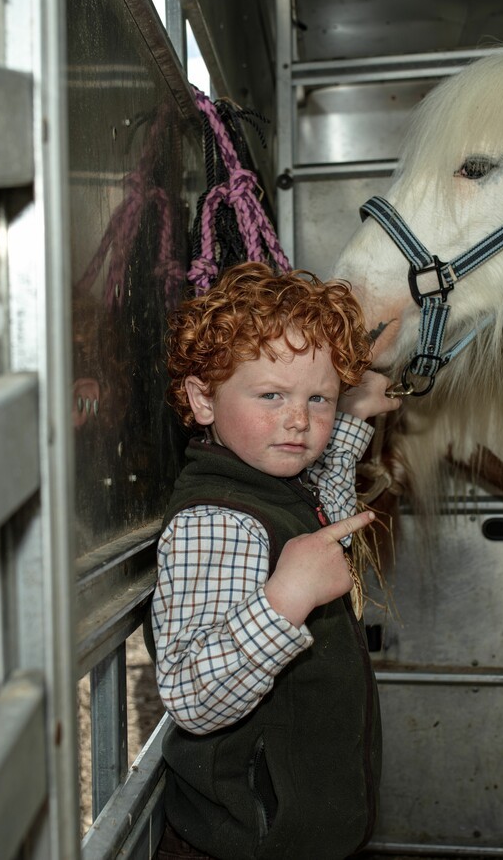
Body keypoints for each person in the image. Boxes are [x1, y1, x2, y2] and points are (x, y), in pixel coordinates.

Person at [151, 262, 401, 860]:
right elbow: (190, 695)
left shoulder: (273, 482)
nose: (298, 419)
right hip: (246, 842)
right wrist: (282, 602)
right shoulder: (217, 521)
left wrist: (352, 418)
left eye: (319, 397)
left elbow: (323, 515)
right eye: (272, 395)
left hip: (288, 829)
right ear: (202, 400)